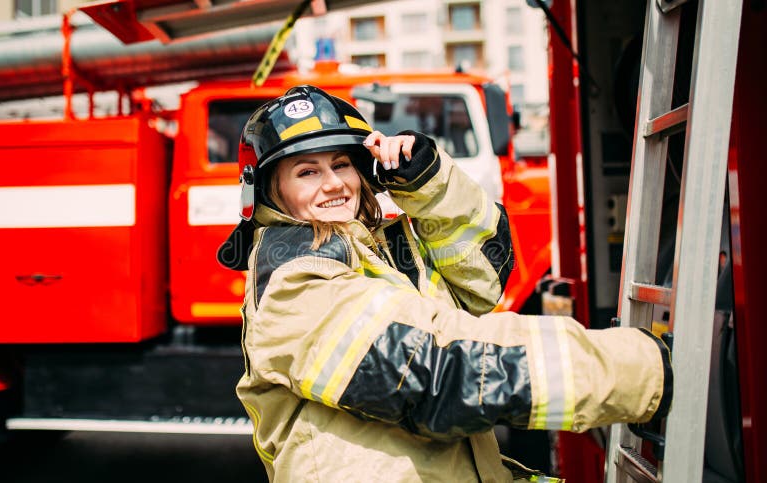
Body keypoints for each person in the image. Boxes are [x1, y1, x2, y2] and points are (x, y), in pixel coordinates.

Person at [217, 85, 672, 483]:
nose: (334, 183)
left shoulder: (382, 251)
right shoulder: (293, 277)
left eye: (342, 164)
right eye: (308, 171)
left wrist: (426, 184)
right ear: (270, 191)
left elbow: (484, 278)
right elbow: (436, 369)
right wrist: (639, 369)